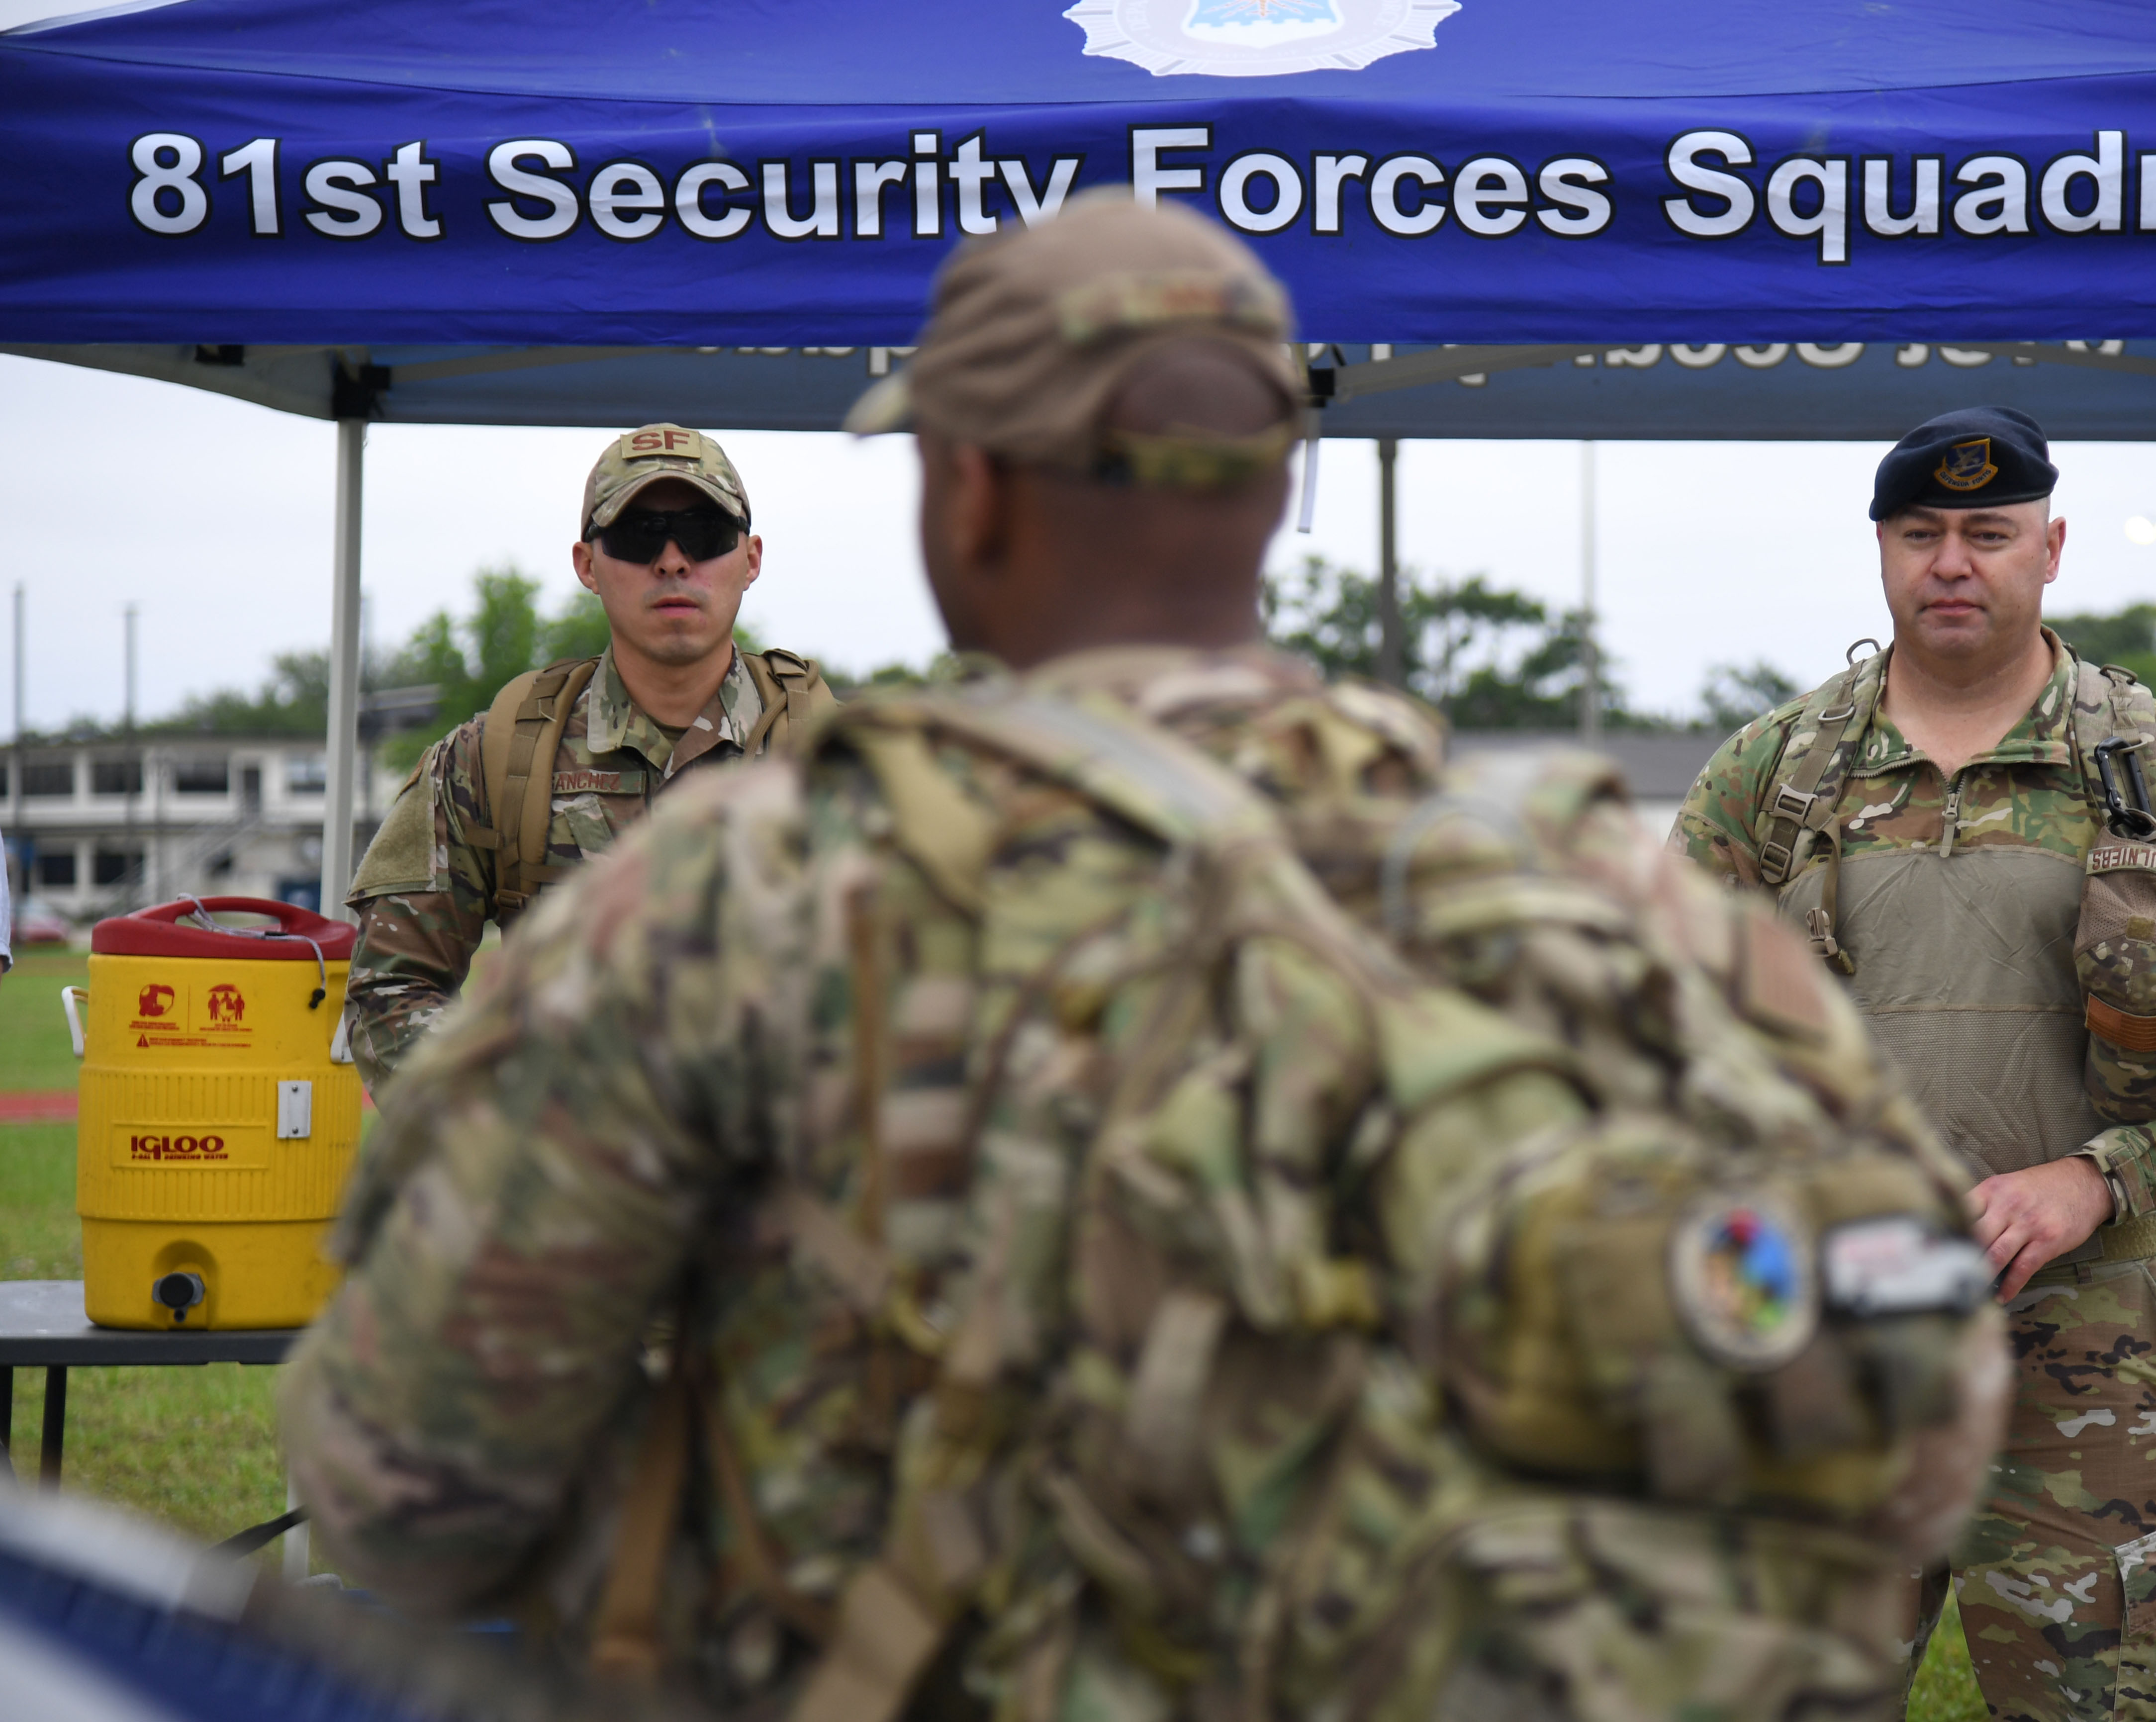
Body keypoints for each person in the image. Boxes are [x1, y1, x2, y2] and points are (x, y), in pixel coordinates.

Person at [280, 198, 2003, 1720]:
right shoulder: (1588, 885)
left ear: (964, 496)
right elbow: (1916, 1403)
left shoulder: (739, 903)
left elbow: (403, 1487)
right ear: (1269, 495)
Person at [1669, 406, 2156, 1722]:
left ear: (2051, 546)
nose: (1953, 563)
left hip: (2085, 1342)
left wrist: (2094, 1180)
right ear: (1879, 551)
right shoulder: (1772, 778)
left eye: (1988, 532)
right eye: (1922, 534)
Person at [338, 424, 833, 1090]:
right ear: (587, 565)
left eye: (704, 533)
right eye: (638, 535)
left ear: (751, 558)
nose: (673, 561)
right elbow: (391, 989)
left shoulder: (840, 763)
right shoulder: (494, 758)